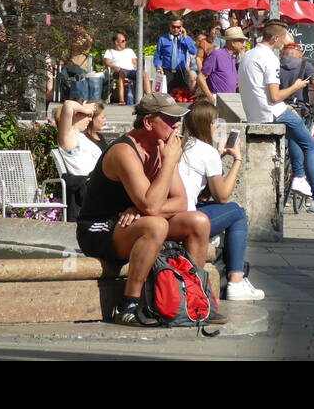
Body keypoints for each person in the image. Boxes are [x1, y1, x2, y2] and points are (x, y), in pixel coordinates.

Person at [75, 93, 216, 325]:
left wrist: (140, 210)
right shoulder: (124, 151)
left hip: (134, 223)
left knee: (198, 221)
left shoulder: (161, 148)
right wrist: (169, 163)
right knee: (156, 224)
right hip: (99, 229)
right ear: (149, 123)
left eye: (177, 119)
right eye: (170, 120)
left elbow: (181, 201)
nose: (176, 125)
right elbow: (152, 205)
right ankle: (127, 305)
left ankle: (195, 296)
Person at [239, 18, 314, 219]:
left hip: (256, 113)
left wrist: (285, 106)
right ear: (275, 38)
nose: (284, 42)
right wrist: (295, 87)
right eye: (283, 38)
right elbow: (274, 96)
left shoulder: (248, 55)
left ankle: (300, 177)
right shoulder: (269, 59)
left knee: (295, 132)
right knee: (310, 144)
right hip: (272, 112)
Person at [179, 101, 264, 300]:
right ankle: (235, 280)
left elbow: (205, 194)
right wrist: (237, 160)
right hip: (187, 217)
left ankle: (236, 277)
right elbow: (222, 195)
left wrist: (217, 154)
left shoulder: (183, 144)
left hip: (179, 210)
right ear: (207, 124)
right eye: (215, 122)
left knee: (231, 209)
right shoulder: (206, 151)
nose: (217, 127)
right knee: (236, 211)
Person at [56, 99, 108, 221]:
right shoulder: (69, 137)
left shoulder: (85, 137)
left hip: (99, 183)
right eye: (88, 116)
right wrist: (85, 109)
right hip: (90, 186)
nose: (90, 119)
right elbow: (68, 105)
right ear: (76, 114)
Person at [198, 26, 244, 101]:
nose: (243, 44)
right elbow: (200, 78)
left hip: (229, 101)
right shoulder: (217, 54)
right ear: (233, 43)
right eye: (241, 41)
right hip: (218, 101)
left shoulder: (232, 57)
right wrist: (211, 98)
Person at [153, 18, 197, 93]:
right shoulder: (162, 39)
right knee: (166, 94)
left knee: (182, 95)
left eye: (178, 27)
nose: (175, 29)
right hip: (167, 71)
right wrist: (158, 65)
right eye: (173, 26)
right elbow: (158, 55)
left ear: (182, 27)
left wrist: (185, 37)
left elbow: (193, 51)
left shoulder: (186, 38)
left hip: (181, 72)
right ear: (170, 26)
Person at [60, 30, 103, 103]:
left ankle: (79, 98)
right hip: (69, 67)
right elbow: (64, 58)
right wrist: (61, 63)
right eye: (76, 37)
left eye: (79, 37)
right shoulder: (71, 46)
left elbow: (89, 41)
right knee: (62, 76)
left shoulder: (85, 47)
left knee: (79, 76)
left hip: (80, 68)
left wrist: (83, 32)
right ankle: (67, 96)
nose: (77, 40)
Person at [102, 31, 138, 105]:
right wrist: (114, 66)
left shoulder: (130, 51)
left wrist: (138, 68)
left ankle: (149, 97)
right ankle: (121, 100)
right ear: (116, 42)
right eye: (123, 41)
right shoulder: (110, 51)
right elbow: (107, 63)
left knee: (145, 74)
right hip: (118, 71)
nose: (125, 42)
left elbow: (135, 63)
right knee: (122, 73)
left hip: (131, 71)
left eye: (125, 40)